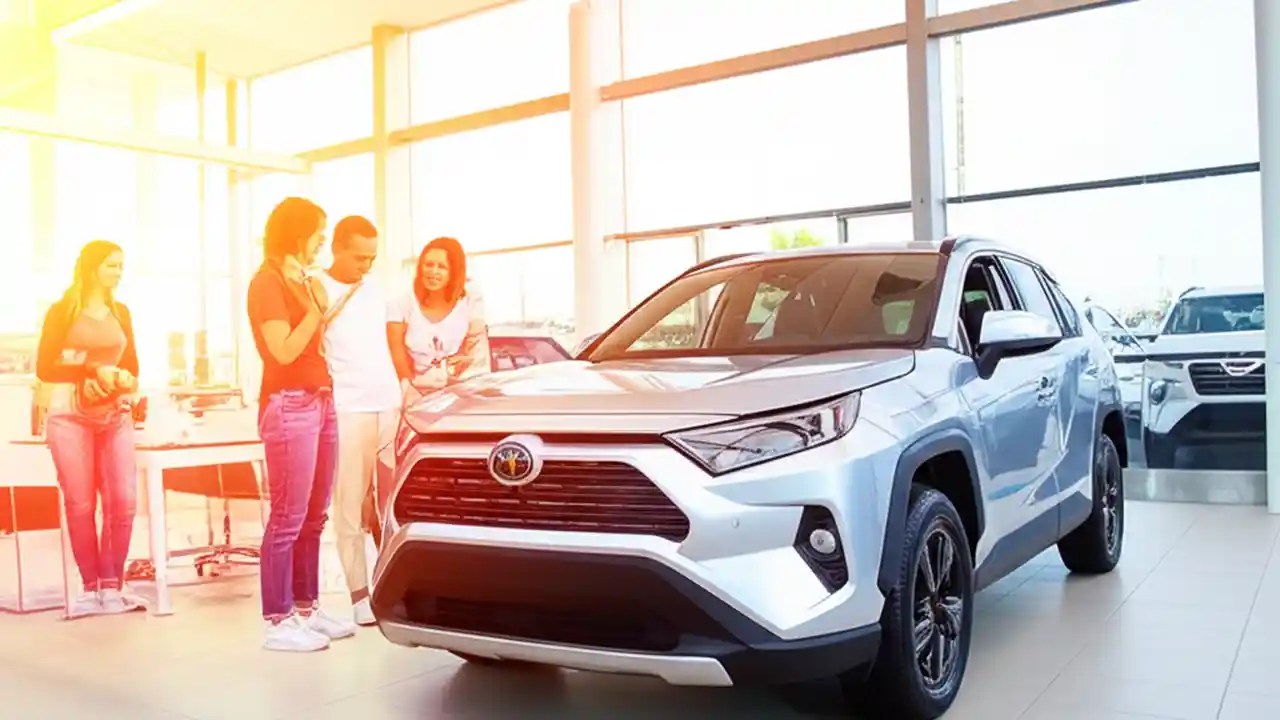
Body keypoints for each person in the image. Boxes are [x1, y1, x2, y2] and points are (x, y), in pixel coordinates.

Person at [246, 197, 356, 652]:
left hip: (320, 401)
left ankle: (307, 608)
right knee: (288, 516)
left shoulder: (298, 281)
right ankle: (278, 619)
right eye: (319, 234)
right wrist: (317, 307)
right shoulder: (267, 283)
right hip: (289, 404)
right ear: (297, 234)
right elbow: (283, 352)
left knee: (313, 515)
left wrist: (315, 301)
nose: (322, 245)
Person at [35, 240, 145, 619]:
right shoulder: (62, 312)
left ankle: (112, 585)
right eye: (112, 265)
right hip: (69, 414)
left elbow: (132, 363)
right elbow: (46, 366)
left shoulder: (122, 313)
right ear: (92, 267)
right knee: (81, 503)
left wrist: (124, 378)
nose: (118, 272)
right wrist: (89, 370)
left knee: (124, 501)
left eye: (121, 266)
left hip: (115, 413)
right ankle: (90, 586)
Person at [312, 216, 400, 627]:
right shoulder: (317, 287)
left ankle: (392, 584)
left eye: (372, 258)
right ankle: (358, 594)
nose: (365, 265)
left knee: (386, 504)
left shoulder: (377, 291)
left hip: (389, 404)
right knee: (348, 504)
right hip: (348, 406)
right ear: (336, 248)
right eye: (358, 257)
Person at [386, 236, 491, 401]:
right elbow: (395, 354)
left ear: (454, 271)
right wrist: (410, 394)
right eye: (428, 265)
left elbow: (477, 353)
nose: (433, 272)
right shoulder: (401, 304)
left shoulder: (470, 301)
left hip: (460, 397)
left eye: (441, 267)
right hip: (414, 397)